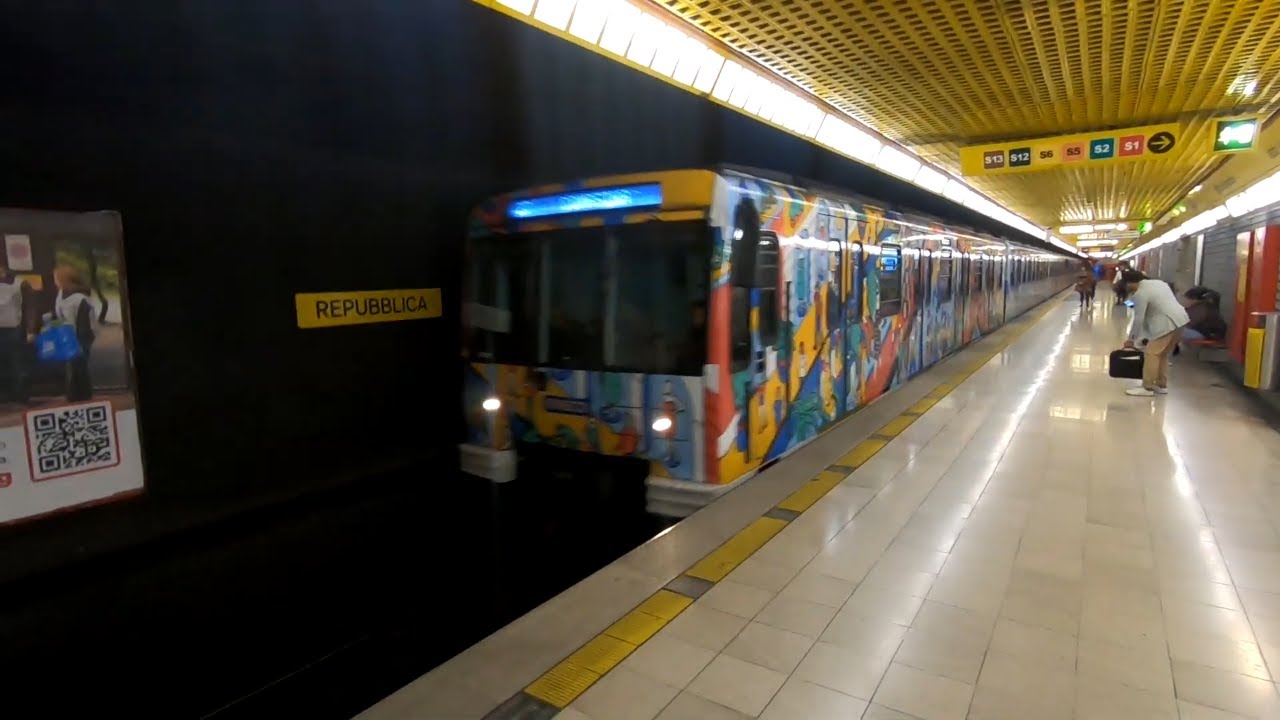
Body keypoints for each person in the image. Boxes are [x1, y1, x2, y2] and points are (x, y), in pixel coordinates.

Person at [1120, 270, 1190, 397]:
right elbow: (1137, 307)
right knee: (1162, 355)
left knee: (1151, 354)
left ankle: (1147, 387)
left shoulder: (1141, 293)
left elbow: (1139, 318)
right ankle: (1161, 385)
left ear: (1129, 283)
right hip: (1181, 321)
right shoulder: (1159, 283)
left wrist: (1131, 339)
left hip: (1166, 324)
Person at [52, 265, 96, 401]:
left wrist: (80, 341)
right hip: (67, 335)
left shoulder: (80, 298)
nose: (55, 281)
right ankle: (76, 395)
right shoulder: (61, 295)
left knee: (78, 366)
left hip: (80, 336)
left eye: (56, 278)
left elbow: (84, 321)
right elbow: (59, 315)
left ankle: (80, 396)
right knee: (72, 366)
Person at [0, 260, 35, 404]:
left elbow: (30, 307)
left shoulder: (19, 283)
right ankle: (5, 395)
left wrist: (31, 329)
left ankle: (21, 397)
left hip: (14, 328)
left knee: (18, 364)